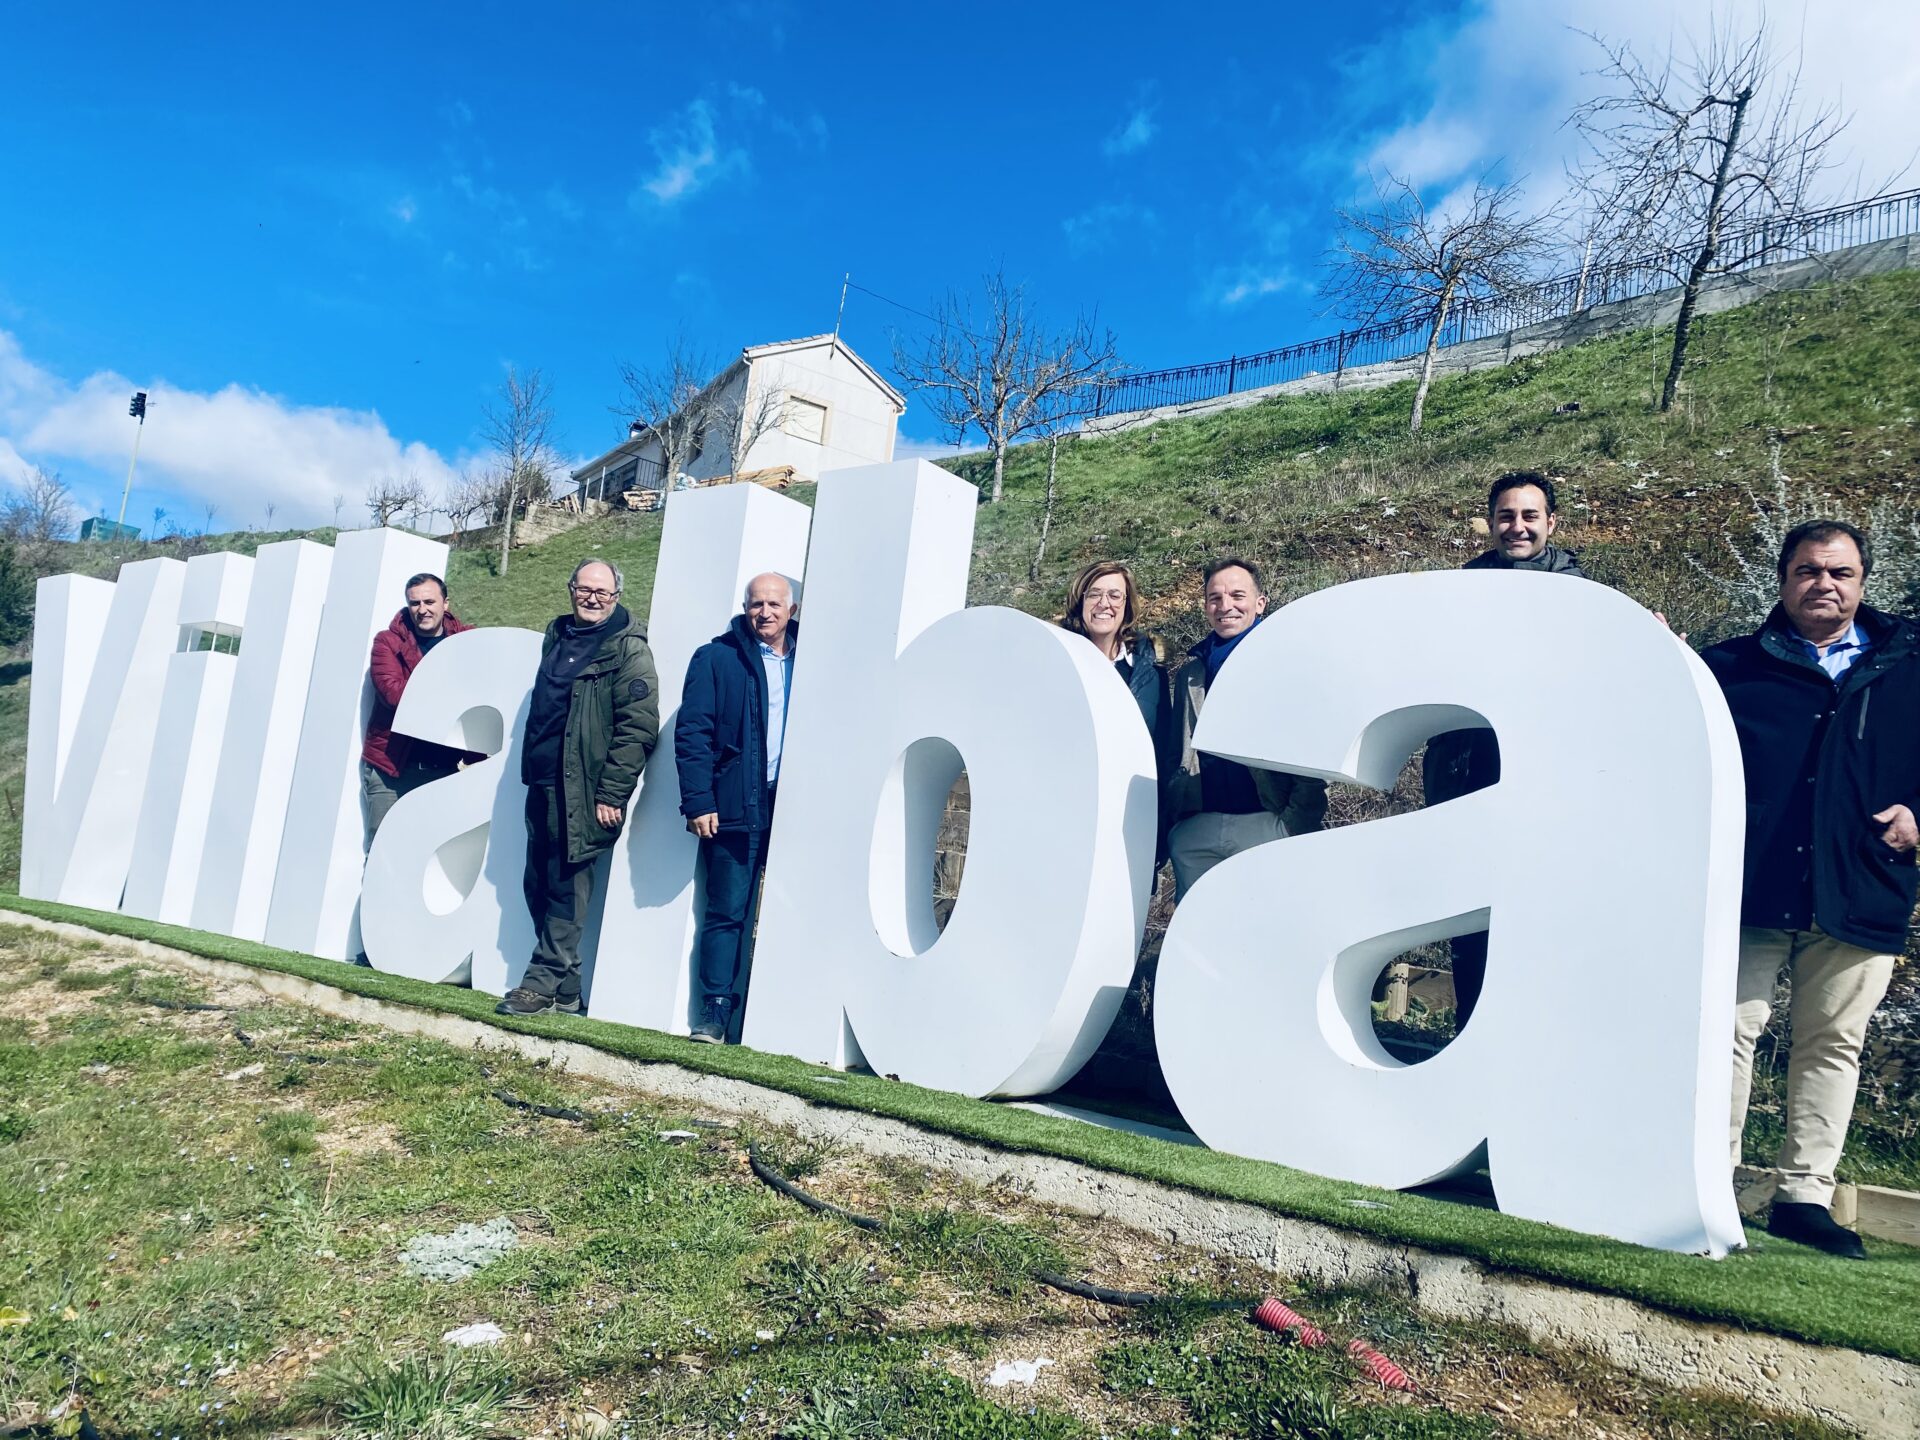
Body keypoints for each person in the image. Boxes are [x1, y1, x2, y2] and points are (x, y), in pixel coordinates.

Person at [1702, 518, 1920, 1259]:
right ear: (1783, 579)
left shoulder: (1910, 665)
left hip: (1862, 881)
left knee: (1833, 1044)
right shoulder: (1728, 668)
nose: (1823, 584)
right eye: (1807, 571)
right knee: (1725, 1036)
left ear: (1864, 581)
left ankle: (1805, 1198)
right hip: (1748, 885)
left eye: (1840, 573)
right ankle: (1711, 1181)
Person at [1422, 472, 1588, 1027]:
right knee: (1469, 930)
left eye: (1529, 516)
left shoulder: (1584, 598)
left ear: (1552, 523)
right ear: (1491, 521)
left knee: (1537, 926)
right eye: (1506, 516)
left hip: (1543, 788)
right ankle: (1468, 1038)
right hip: (1464, 782)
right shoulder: (1462, 589)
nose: (1517, 526)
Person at [496, 560, 660, 1019]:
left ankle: (539, 984)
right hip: (542, 781)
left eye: (602, 593)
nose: (592, 598)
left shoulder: (629, 650)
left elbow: (639, 728)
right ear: (571, 590)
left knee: (569, 887)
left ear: (617, 596)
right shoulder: (557, 635)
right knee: (537, 884)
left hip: (585, 789)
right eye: (584, 589)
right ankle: (567, 989)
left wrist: (612, 793)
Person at [677, 572, 798, 1044]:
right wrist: (699, 800)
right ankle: (715, 1012)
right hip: (734, 804)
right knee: (727, 912)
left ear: (791, 609)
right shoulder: (716, 658)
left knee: (793, 911)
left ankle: (779, 1016)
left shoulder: (813, 660)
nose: (764, 613)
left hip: (796, 806)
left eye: (773, 604)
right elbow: (693, 733)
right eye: (755, 604)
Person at [1164, 558, 1325, 900]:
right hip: (1199, 828)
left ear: (1260, 603)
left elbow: (1312, 745)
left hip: (1267, 819)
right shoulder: (1191, 673)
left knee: (1276, 925)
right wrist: (1178, 826)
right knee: (1203, 933)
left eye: (1238, 595)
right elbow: (1176, 750)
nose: (1226, 606)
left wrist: (1296, 821)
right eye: (1215, 597)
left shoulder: (1286, 663)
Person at [361, 572, 478, 841]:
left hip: (444, 769)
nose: (422, 610)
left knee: (432, 854)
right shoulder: (387, 642)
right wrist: (453, 694)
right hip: (392, 768)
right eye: (415, 603)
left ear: (445, 603)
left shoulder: (468, 641)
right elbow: (394, 694)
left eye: (429, 602)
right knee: (383, 853)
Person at [1059, 560, 1168, 757]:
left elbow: (1163, 743)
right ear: (1080, 602)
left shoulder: (1151, 664)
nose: (1104, 603)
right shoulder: (1058, 660)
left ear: (1126, 606)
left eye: (1114, 595)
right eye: (1094, 594)